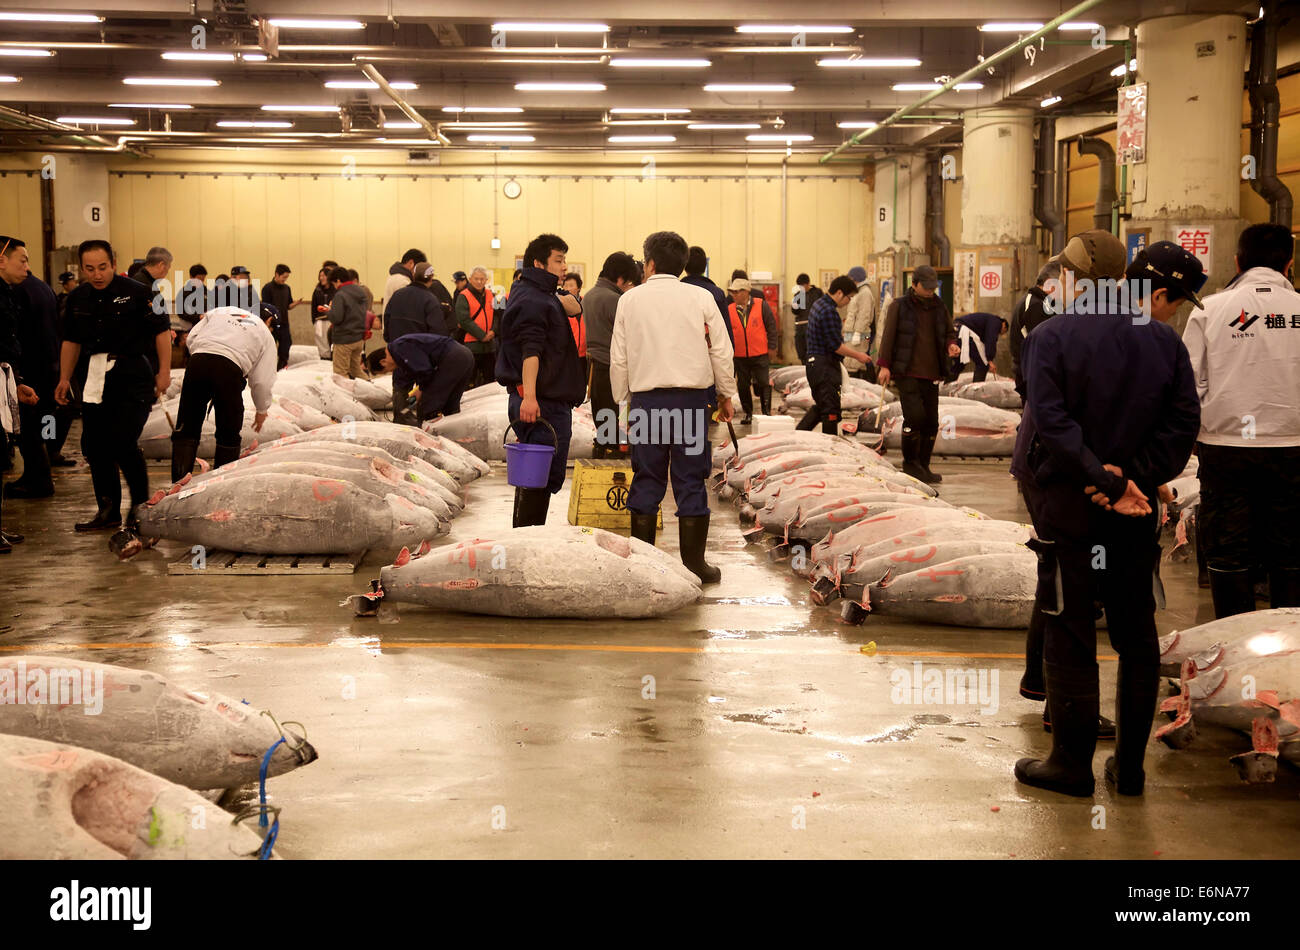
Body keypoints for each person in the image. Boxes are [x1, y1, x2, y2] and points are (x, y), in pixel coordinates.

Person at [1011, 228, 1199, 798]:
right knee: (1135, 633)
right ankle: (1132, 770)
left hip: (1071, 504)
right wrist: (1133, 479)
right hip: (1134, 508)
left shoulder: (1051, 335)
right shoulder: (1165, 341)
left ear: (1070, 277)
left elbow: (1051, 419)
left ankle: (1071, 766)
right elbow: (1182, 424)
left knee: (1070, 629)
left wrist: (1101, 477)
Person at [1184, 223, 1300, 616]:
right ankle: (1290, 651)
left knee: (1228, 551)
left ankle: (1235, 652)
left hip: (1226, 451)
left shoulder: (1209, 310)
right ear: (1290, 263)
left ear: (1237, 261)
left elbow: (1186, 386)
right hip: (1294, 450)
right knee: (1291, 550)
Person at [610, 230, 737, 584]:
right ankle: (695, 565)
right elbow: (721, 351)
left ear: (649, 264)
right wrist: (726, 395)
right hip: (692, 405)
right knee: (691, 479)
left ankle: (644, 565)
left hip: (647, 404)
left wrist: (623, 403)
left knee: (647, 477)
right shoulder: (700, 297)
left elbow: (618, 358)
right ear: (682, 265)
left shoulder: (630, 300)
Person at [56, 239, 170, 533]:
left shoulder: (140, 292)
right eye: (90, 269)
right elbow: (71, 341)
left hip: (133, 375)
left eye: (103, 267)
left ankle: (140, 508)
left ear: (114, 264)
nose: (97, 274)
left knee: (123, 442)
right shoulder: (77, 299)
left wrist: (164, 373)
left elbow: (161, 333)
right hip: (94, 378)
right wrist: (64, 378)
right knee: (95, 446)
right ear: (81, 269)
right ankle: (108, 510)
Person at [494, 233, 586, 527]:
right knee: (537, 480)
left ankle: (525, 536)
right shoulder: (535, 300)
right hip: (541, 402)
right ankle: (526, 539)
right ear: (538, 263)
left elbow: (575, 307)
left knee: (534, 478)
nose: (563, 266)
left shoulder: (536, 293)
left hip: (543, 399)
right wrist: (530, 397)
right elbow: (530, 352)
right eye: (558, 260)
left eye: (564, 260)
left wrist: (564, 299)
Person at [170, 304, 279, 481]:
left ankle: (178, 483)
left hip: (198, 361)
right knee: (228, 433)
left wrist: (202, 355)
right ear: (268, 321)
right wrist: (262, 410)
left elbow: (192, 337)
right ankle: (218, 484)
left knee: (187, 427)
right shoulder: (265, 333)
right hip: (230, 370)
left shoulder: (222, 311)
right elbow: (261, 381)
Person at [875, 265, 960, 484]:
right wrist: (884, 365)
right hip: (907, 371)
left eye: (933, 287)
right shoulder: (899, 306)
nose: (930, 291)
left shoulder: (938, 306)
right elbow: (888, 336)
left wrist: (951, 344)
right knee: (915, 418)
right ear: (914, 284)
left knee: (931, 422)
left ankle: (924, 465)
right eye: (926, 287)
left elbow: (949, 331)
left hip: (932, 372)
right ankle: (910, 463)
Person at [0, 236, 41, 552]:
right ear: (2, 259)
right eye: (22, 259)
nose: (27, 267)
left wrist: (15, 382)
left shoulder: (7, 293)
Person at [6, 268, 61, 499]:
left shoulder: (18, 290)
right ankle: (39, 472)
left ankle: (38, 481)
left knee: (29, 428)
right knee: (41, 423)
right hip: (48, 366)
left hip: (30, 369)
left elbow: (15, 333)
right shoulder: (42, 286)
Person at [797, 276, 872, 435]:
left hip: (814, 365)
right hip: (824, 367)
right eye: (849, 297)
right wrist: (859, 356)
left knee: (822, 406)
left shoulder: (819, 304)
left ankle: (797, 436)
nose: (849, 302)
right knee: (830, 411)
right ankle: (830, 448)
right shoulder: (829, 311)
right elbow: (836, 347)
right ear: (839, 293)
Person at [584, 251, 639, 458]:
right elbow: (632, 337)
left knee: (603, 418)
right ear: (620, 278)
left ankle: (606, 450)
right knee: (620, 417)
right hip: (615, 370)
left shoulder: (589, 296)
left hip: (595, 369)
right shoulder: (616, 300)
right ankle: (617, 455)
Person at [383, 262, 445, 424]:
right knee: (424, 387)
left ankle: (400, 420)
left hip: (399, 353)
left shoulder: (398, 295)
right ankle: (420, 423)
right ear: (430, 279)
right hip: (421, 356)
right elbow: (438, 333)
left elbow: (387, 319)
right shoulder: (431, 300)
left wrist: (391, 343)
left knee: (400, 386)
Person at [380, 335, 475, 423]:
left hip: (453, 357)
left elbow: (425, 371)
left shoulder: (399, 348)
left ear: (383, 362)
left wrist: (421, 389)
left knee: (429, 406)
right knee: (450, 405)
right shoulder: (400, 347)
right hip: (465, 355)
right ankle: (455, 434)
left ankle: (430, 436)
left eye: (386, 371)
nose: (390, 372)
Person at [726, 277, 777, 423]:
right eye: (732, 292)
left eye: (736, 292)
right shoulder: (729, 309)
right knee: (742, 385)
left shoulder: (762, 306)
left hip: (760, 353)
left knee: (763, 382)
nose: (733, 295)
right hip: (740, 355)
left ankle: (766, 412)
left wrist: (772, 347)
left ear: (746, 292)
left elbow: (771, 327)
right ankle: (748, 413)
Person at [1010, 261, 1061, 400]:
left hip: (1029, 374)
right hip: (1032, 376)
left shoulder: (1034, 301)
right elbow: (1043, 346)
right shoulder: (1036, 306)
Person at [456, 266, 497, 388]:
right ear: (470, 279)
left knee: (490, 381)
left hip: (489, 347)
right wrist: (482, 335)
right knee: (470, 382)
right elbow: (464, 320)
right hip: (471, 347)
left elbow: (497, 315)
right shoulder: (463, 296)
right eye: (476, 279)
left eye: (482, 279)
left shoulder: (491, 294)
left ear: (486, 280)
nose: (479, 282)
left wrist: (493, 331)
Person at [326, 266, 369, 379]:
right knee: (356, 371)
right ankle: (370, 389)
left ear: (338, 280)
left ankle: (344, 397)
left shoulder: (340, 295)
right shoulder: (361, 291)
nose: (334, 287)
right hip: (359, 338)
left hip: (344, 340)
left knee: (340, 374)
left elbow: (337, 318)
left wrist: (329, 312)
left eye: (333, 283)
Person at [261, 264, 306, 355]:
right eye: (283, 277)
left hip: (284, 323)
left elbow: (288, 306)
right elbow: (266, 308)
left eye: (286, 277)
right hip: (272, 323)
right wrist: (269, 324)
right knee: (271, 346)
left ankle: (283, 365)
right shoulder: (267, 288)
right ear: (276, 274)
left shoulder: (287, 288)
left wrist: (296, 303)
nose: (285, 280)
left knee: (286, 344)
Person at [952, 311, 1008, 382]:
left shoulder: (989, 320)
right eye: (1004, 332)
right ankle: (977, 390)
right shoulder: (996, 322)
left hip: (956, 329)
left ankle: (946, 386)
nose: (1001, 334)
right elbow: (991, 339)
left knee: (960, 363)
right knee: (983, 364)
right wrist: (990, 360)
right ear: (1004, 325)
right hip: (965, 331)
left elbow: (985, 341)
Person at [842, 265, 876, 381]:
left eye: (851, 279)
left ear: (856, 278)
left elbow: (864, 315)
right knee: (851, 361)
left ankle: (868, 384)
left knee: (858, 361)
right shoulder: (858, 291)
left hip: (860, 334)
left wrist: (858, 332)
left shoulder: (865, 293)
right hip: (852, 333)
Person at [792, 273, 824, 365]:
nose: (801, 288)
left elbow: (822, 308)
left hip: (814, 328)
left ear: (808, 283)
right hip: (801, 328)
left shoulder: (817, 293)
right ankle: (804, 367)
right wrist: (795, 305)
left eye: (803, 285)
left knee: (812, 352)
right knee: (801, 351)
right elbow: (795, 311)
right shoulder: (798, 295)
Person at [311, 260, 339, 358]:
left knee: (331, 343)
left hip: (331, 321)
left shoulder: (335, 290)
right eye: (320, 276)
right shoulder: (317, 290)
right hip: (319, 321)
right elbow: (313, 307)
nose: (321, 278)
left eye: (324, 276)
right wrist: (314, 321)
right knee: (321, 343)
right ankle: (323, 360)